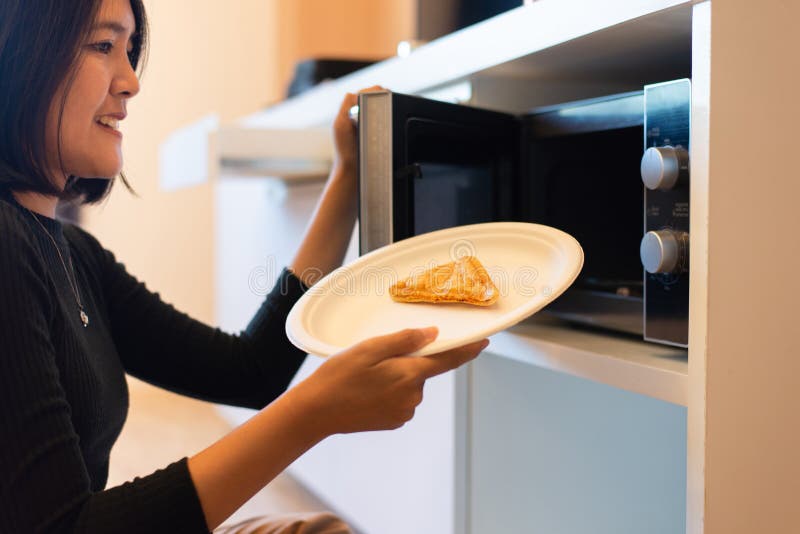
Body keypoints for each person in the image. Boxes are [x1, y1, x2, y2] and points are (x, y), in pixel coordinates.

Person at [0, 0, 489, 532]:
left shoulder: (71, 254)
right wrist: (314, 413)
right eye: (103, 45)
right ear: (24, 55)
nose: (130, 81)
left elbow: (251, 369)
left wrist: (347, 177)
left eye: (129, 49)